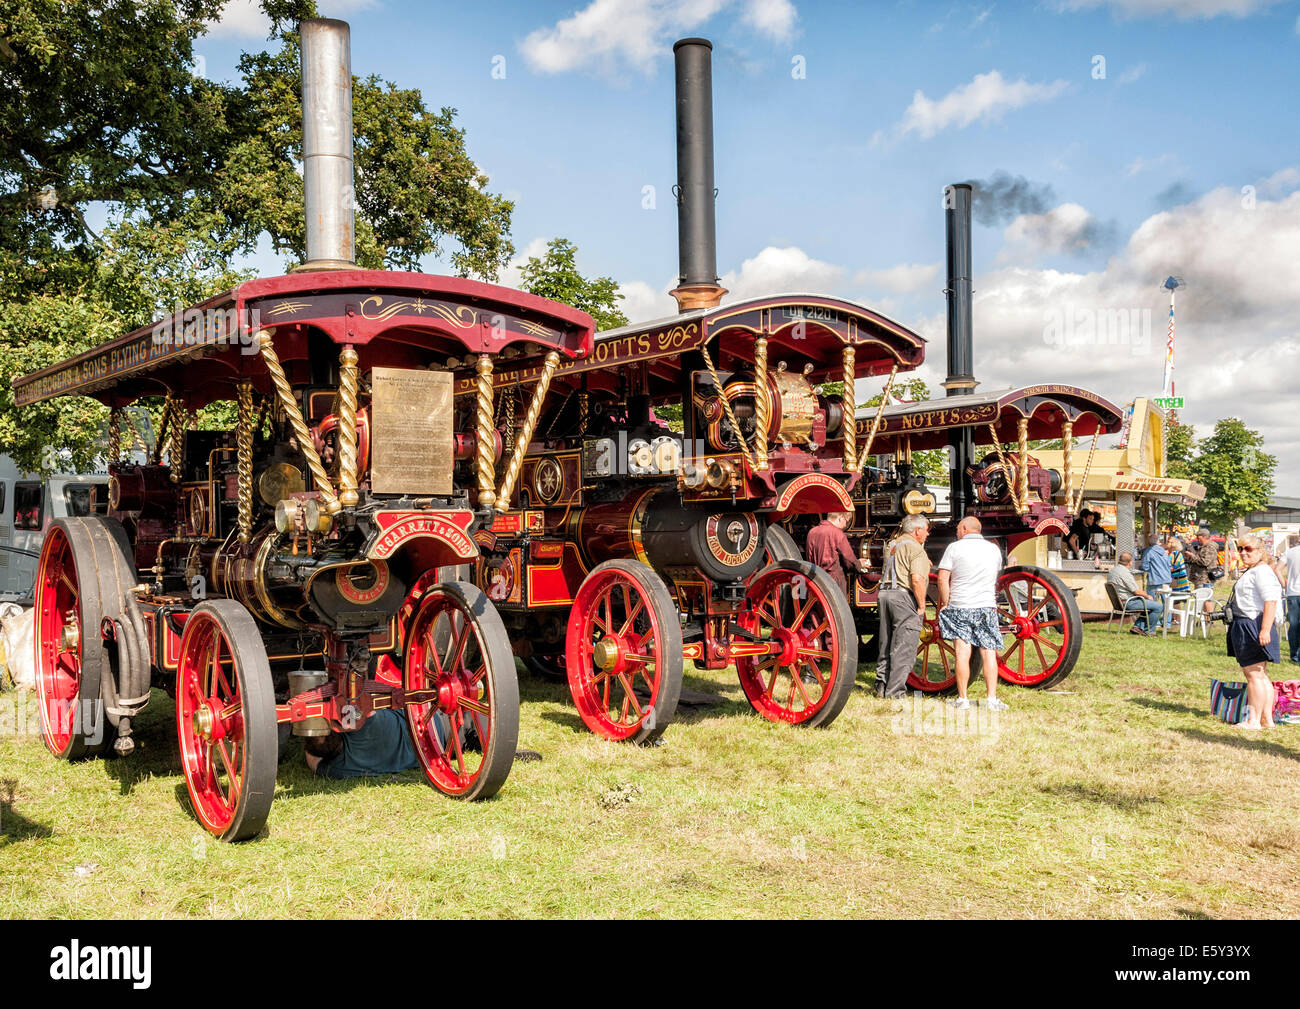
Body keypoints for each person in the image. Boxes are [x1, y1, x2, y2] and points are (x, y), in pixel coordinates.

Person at [935, 516, 1005, 710]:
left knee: (962, 653)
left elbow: (942, 579)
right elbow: (995, 574)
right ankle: (991, 699)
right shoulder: (993, 549)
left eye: (958, 528)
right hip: (985, 605)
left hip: (960, 605)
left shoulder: (954, 548)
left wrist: (946, 602)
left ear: (965, 528)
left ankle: (963, 699)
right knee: (989, 652)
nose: (956, 532)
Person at [1227, 535, 1282, 730]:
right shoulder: (1256, 570)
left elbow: (1271, 601)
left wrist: (1265, 630)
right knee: (1260, 674)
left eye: (1248, 549)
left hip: (1252, 624)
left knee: (1254, 675)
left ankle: (1253, 720)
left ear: (1260, 551)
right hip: (1250, 623)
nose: (1243, 552)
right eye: (1240, 548)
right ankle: (1266, 720)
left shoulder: (1262, 572)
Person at [875, 514, 931, 699]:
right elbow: (916, 579)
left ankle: (881, 687)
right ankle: (895, 693)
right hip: (903, 597)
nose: (927, 534)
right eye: (926, 530)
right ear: (917, 531)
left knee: (885, 643)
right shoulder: (916, 550)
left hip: (884, 594)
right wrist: (922, 605)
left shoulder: (892, 545)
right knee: (903, 647)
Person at [303, 709, 420, 778]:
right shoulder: (358, 725)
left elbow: (313, 762)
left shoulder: (340, 767)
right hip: (426, 722)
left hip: (425, 753)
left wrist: (312, 745)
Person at [805, 511, 867, 595]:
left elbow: (809, 557)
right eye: (846, 521)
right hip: (834, 582)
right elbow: (849, 561)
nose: (845, 525)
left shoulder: (812, 532)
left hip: (815, 579)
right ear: (841, 518)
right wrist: (859, 564)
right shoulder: (837, 533)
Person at [1108, 552, 1162, 634]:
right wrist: (1147, 596)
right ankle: (1149, 631)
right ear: (1130, 562)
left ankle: (1137, 627)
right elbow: (1136, 591)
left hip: (1118, 602)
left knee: (1147, 603)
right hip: (1128, 602)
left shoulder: (1113, 571)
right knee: (1158, 606)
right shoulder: (1125, 573)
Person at [1139, 534, 1172, 629]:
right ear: (1158, 541)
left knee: (1151, 601)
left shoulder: (1148, 551)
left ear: (1149, 541)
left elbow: (1145, 567)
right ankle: (1167, 622)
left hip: (1155, 580)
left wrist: (1140, 567)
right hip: (1166, 579)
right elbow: (1169, 564)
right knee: (1166, 601)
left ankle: (1154, 621)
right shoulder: (1163, 551)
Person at [1186, 527, 1220, 615]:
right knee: (1203, 599)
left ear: (1205, 537)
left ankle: (1209, 619)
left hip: (1205, 578)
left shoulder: (1210, 547)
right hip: (1202, 578)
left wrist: (1192, 556)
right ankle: (1205, 619)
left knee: (1206, 599)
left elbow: (1205, 562)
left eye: (1199, 537)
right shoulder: (1204, 547)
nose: (1197, 539)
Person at [1277, 539, 1300, 663]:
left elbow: (1277, 569)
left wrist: (1284, 585)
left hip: (1292, 592)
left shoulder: (1290, 552)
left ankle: (1295, 655)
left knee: (1294, 625)